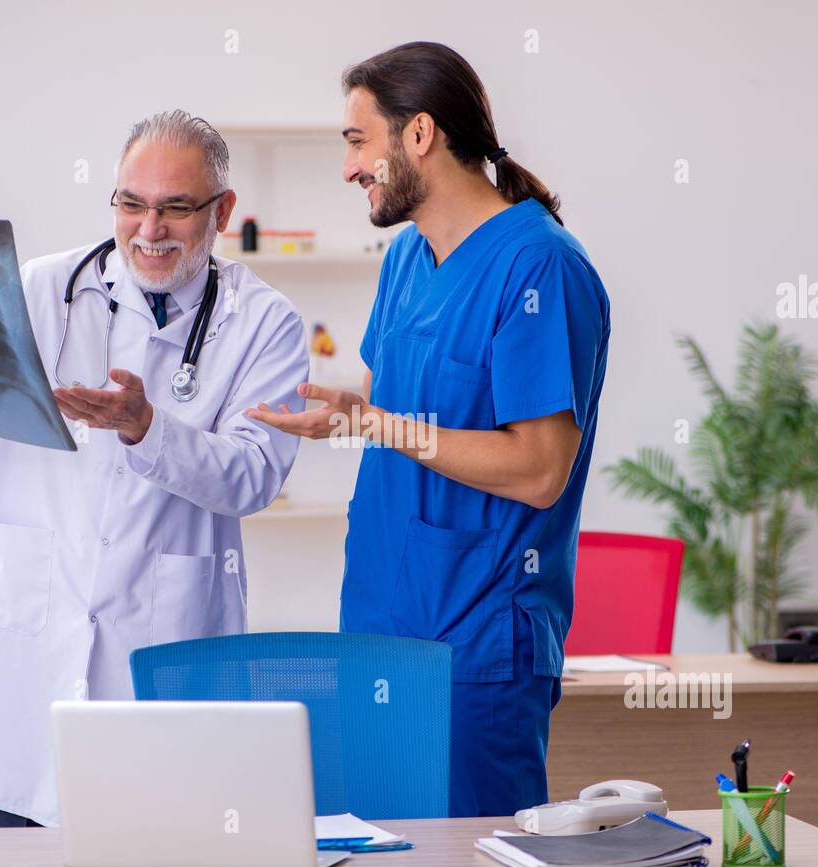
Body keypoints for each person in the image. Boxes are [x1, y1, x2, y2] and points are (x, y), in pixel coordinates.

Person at [0, 110, 309, 827]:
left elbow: (253, 477)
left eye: (175, 208)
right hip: (25, 654)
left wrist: (146, 428)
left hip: (162, 655)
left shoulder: (265, 322)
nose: (148, 229)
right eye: (131, 203)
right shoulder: (38, 287)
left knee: (154, 838)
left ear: (222, 212)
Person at [249, 43, 611, 816]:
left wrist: (377, 424)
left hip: (474, 643)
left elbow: (541, 467)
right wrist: (340, 419)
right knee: (370, 848)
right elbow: (394, 409)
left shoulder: (541, 268)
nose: (349, 168)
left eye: (356, 141)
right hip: (381, 619)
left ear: (419, 135)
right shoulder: (408, 258)